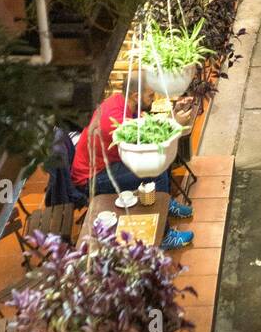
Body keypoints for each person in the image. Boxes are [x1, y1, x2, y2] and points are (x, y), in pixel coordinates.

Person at [69, 87, 194, 250]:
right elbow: (152, 144)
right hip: (92, 178)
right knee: (156, 170)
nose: (154, 98)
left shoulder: (122, 102)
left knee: (160, 163)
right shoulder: (117, 119)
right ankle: (164, 236)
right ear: (136, 95)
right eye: (150, 95)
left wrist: (172, 114)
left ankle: (164, 203)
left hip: (106, 164)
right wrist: (176, 124)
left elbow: (148, 127)